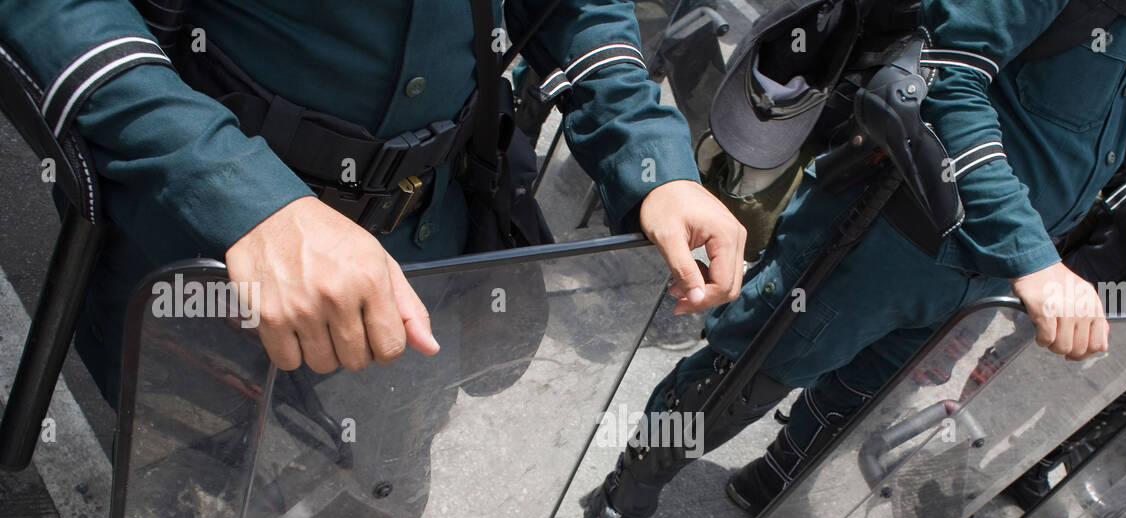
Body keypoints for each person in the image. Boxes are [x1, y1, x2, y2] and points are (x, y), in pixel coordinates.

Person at [571, 0, 1126, 518]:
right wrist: (1035, 260)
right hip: (891, 227)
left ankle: (774, 479)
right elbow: (948, 80)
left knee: (874, 393)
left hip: (1001, 265)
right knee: (746, 372)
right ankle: (624, 498)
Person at [0, 0, 747, 404]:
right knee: (186, 505)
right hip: (221, 266)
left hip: (432, 254)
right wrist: (236, 196)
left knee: (370, 514)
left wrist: (650, 158)